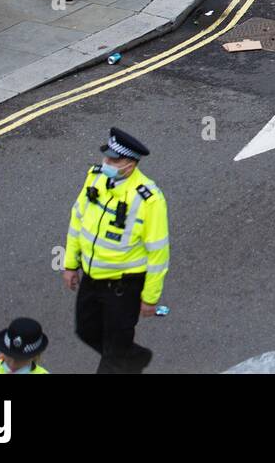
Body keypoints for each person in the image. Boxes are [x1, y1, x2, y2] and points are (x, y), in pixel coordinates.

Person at [64, 127, 169, 374]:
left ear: (130, 165)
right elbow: (77, 219)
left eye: (114, 160)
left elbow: (158, 253)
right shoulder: (95, 177)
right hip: (92, 278)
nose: (107, 162)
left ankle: (123, 359)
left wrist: (150, 298)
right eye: (107, 157)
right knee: (86, 330)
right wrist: (70, 264)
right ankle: (134, 358)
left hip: (124, 288)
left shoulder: (149, 199)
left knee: (113, 356)